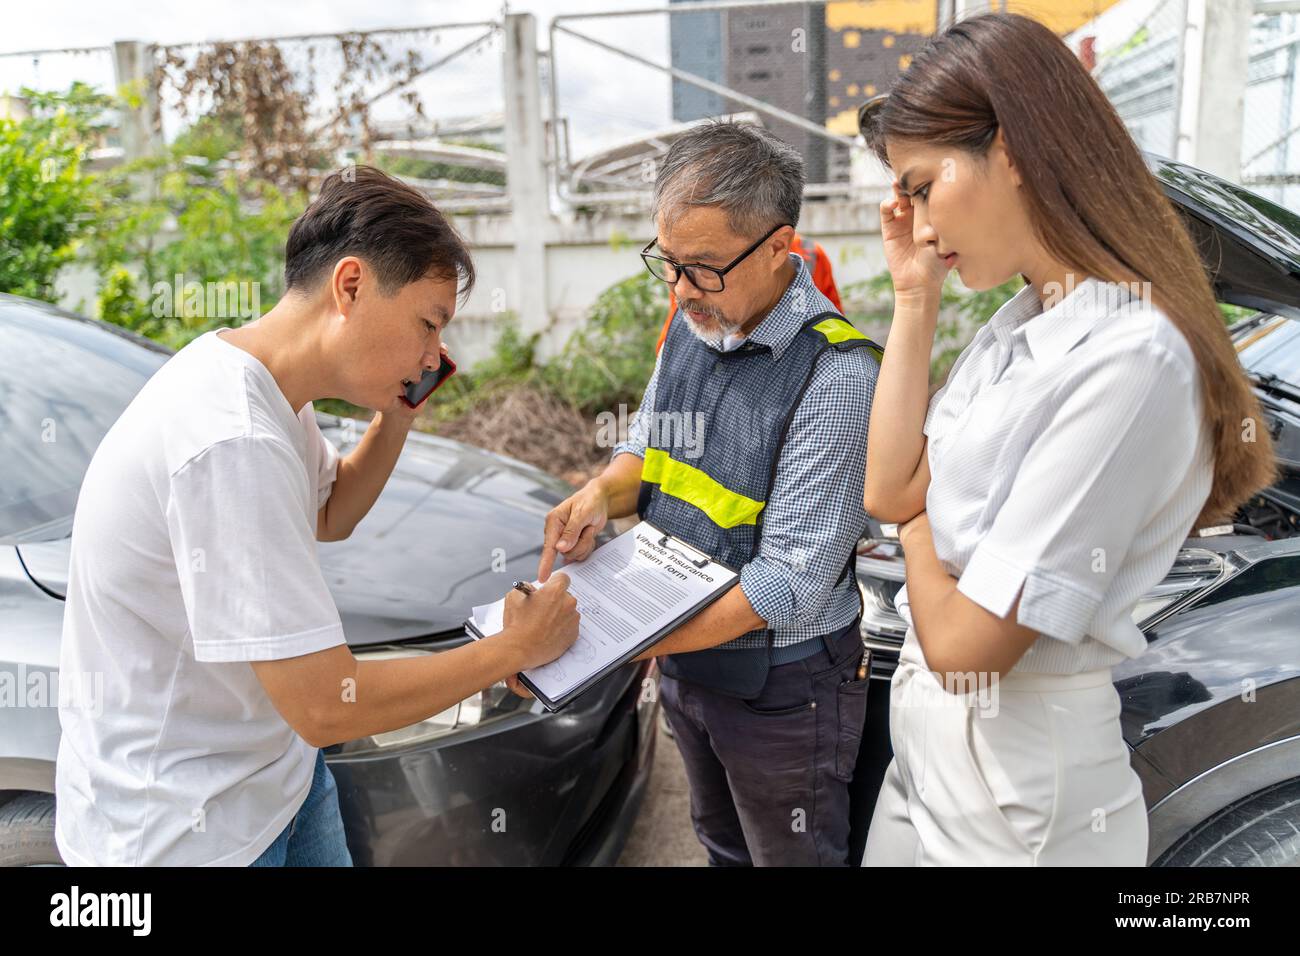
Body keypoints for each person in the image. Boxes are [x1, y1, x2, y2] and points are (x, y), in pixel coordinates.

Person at [54, 165, 579, 867]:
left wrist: (394, 416)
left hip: (273, 782)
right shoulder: (231, 438)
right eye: (429, 323)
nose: (434, 355)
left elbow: (331, 512)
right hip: (191, 834)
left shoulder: (258, 383)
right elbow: (328, 706)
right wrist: (510, 651)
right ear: (351, 285)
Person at [857, 13, 1277, 866]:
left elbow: (972, 643)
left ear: (1010, 148)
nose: (921, 226)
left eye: (923, 186)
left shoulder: (1134, 358)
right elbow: (888, 488)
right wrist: (913, 300)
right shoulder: (1024, 324)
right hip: (932, 739)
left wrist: (919, 531)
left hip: (1017, 784)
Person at [532, 122, 882, 866]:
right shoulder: (694, 327)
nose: (682, 289)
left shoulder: (838, 377)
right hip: (688, 660)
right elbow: (649, 449)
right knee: (720, 845)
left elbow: (788, 585)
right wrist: (603, 491)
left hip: (783, 689)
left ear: (781, 243)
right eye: (669, 263)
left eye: (705, 267)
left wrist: (616, 642)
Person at [654, 230, 844, 355]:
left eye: (708, 267)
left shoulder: (811, 253)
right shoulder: (811, 252)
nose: (683, 289)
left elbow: (832, 322)